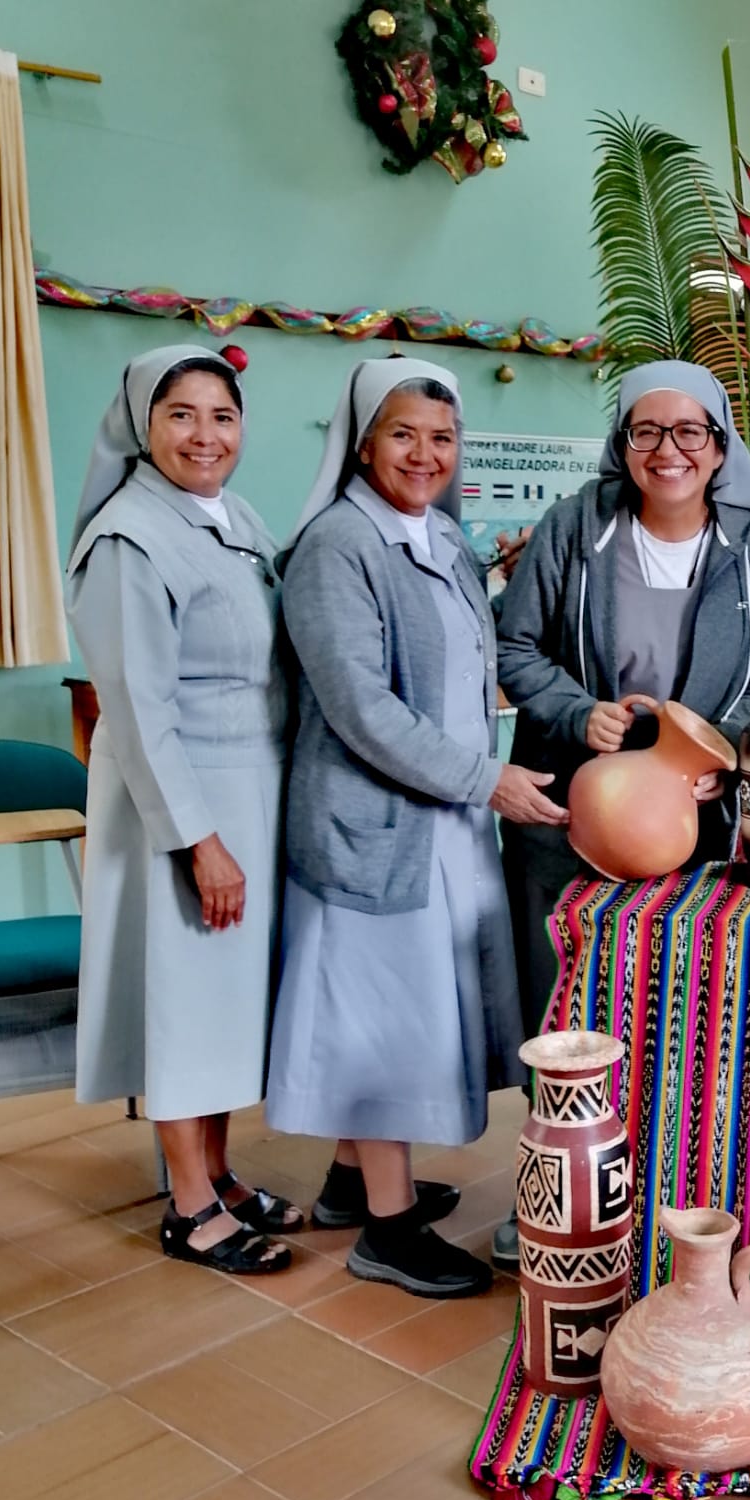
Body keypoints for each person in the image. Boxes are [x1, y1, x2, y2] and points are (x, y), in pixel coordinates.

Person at [267, 356, 563, 1298]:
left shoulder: (437, 535)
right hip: (372, 826)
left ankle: (356, 1182)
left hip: (442, 826)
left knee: (417, 1008)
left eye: (442, 437)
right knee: (383, 1020)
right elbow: (360, 707)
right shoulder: (335, 546)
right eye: (402, 434)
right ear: (361, 441)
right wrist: (487, 780)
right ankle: (387, 1234)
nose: (425, 454)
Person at [491, 360, 750, 1268]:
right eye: (646, 432)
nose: (668, 451)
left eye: (689, 432)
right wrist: (577, 712)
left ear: (719, 445)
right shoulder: (578, 525)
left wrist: (719, 753)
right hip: (565, 809)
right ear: (622, 445)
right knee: (565, 998)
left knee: (672, 1003)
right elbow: (514, 643)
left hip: (691, 820)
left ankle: (662, 1191)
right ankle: (551, 1198)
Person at [66, 344, 297, 1274]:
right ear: (141, 424)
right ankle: (189, 1202)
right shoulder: (129, 534)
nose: (206, 435)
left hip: (250, 787)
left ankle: (220, 1170)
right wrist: (200, 842)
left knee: (227, 1001)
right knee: (183, 996)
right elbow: (137, 706)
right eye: (182, 415)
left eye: (223, 416)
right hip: (179, 800)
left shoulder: (232, 516)